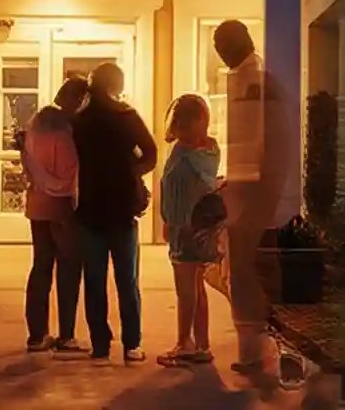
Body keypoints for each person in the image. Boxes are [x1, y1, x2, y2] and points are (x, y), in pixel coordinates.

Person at [212, 20, 286, 374]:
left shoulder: (254, 80)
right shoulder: (249, 77)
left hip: (253, 192)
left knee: (241, 271)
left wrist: (243, 186)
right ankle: (255, 346)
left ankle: (257, 349)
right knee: (235, 270)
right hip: (246, 189)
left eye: (221, 43)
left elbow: (262, 142)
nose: (218, 51)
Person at [72, 62, 158, 364]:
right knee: (127, 280)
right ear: (116, 85)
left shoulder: (79, 121)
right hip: (121, 208)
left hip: (88, 210)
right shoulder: (127, 117)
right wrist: (132, 172)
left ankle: (100, 344)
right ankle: (132, 343)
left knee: (94, 279)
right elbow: (151, 153)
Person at [156, 94, 224, 367]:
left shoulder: (184, 155)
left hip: (184, 228)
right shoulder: (210, 151)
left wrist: (169, 222)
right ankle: (202, 344)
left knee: (186, 290)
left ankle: (184, 342)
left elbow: (175, 192)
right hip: (201, 227)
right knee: (197, 287)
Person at [21, 77, 88, 356]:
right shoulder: (67, 130)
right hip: (62, 207)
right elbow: (71, 173)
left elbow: (28, 164)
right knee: (69, 269)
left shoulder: (36, 125)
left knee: (41, 267)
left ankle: (37, 335)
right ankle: (67, 335)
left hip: (37, 205)